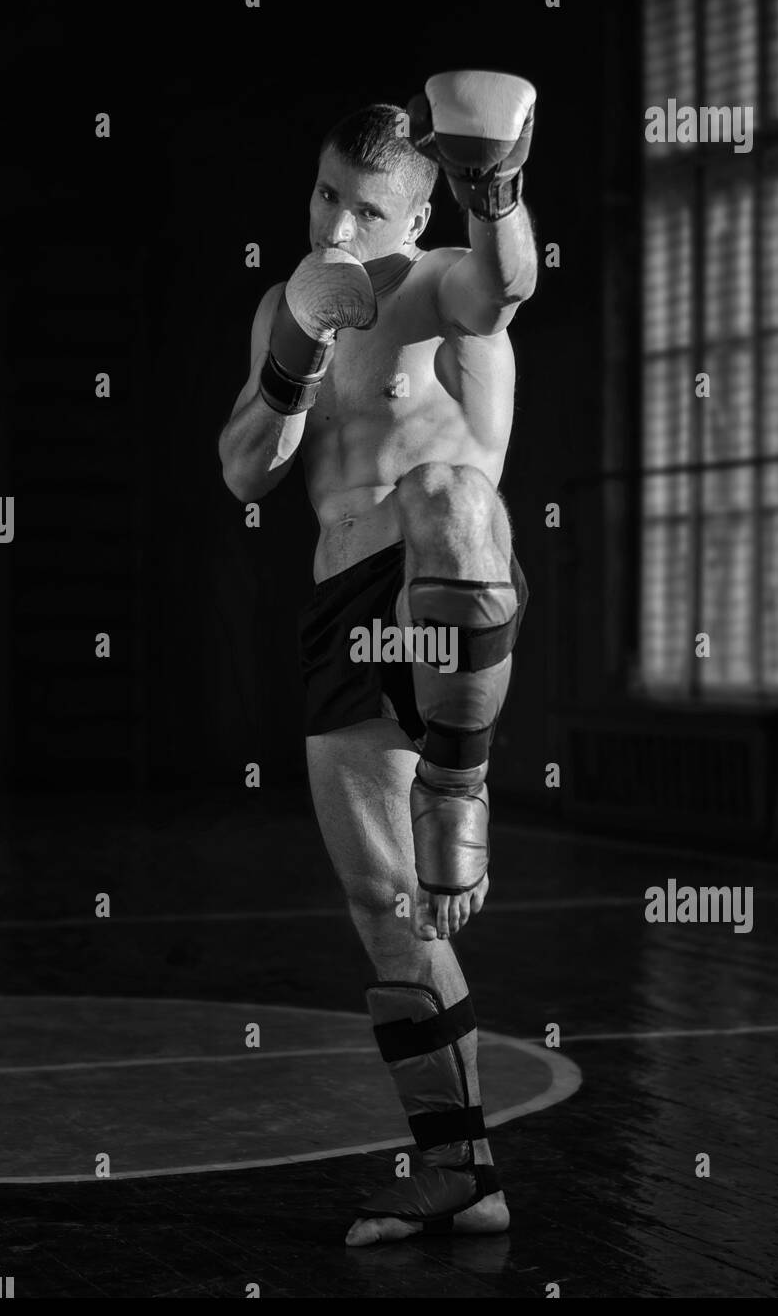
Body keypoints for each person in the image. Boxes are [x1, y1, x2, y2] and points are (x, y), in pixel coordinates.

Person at [219, 72, 538, 1245]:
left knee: (449, 491)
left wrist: (492, 184)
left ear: (412, 218)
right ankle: (460, 1170)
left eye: (363, 211)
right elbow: (245, 472)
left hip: (444, 587)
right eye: (322, 197)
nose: (335, 227)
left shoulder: (440, 283)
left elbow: (506, 281)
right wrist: (291, 350)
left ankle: (461, 779)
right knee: (392, 912)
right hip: (339, 612)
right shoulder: (284, 301)